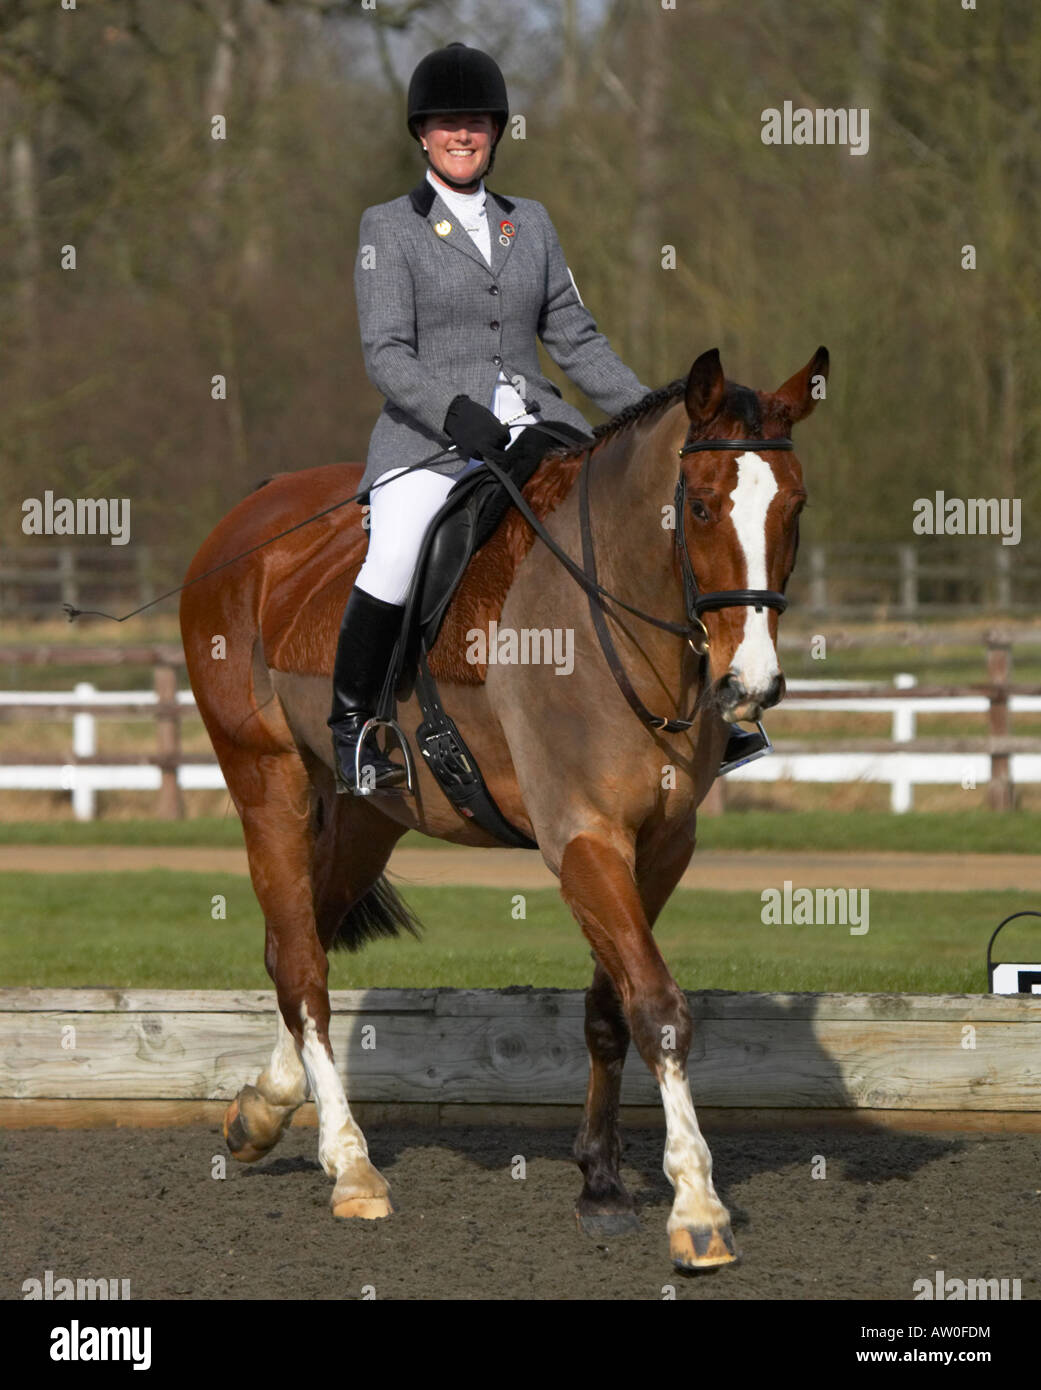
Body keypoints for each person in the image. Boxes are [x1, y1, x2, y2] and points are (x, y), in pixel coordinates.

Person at [330, 41, 766, 793]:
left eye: (474, 122)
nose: (461, 135)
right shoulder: (388, 228)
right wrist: (453, 410)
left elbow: (574, 336)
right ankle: (356, 728)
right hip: (431, 440)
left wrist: (654, 422)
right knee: (396, 551)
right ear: (421, 135)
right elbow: (387, 353)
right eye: (444, 124)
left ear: (496, 132)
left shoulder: (528, 223)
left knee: (652, 526)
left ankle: (715, 717)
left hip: (540, 426)